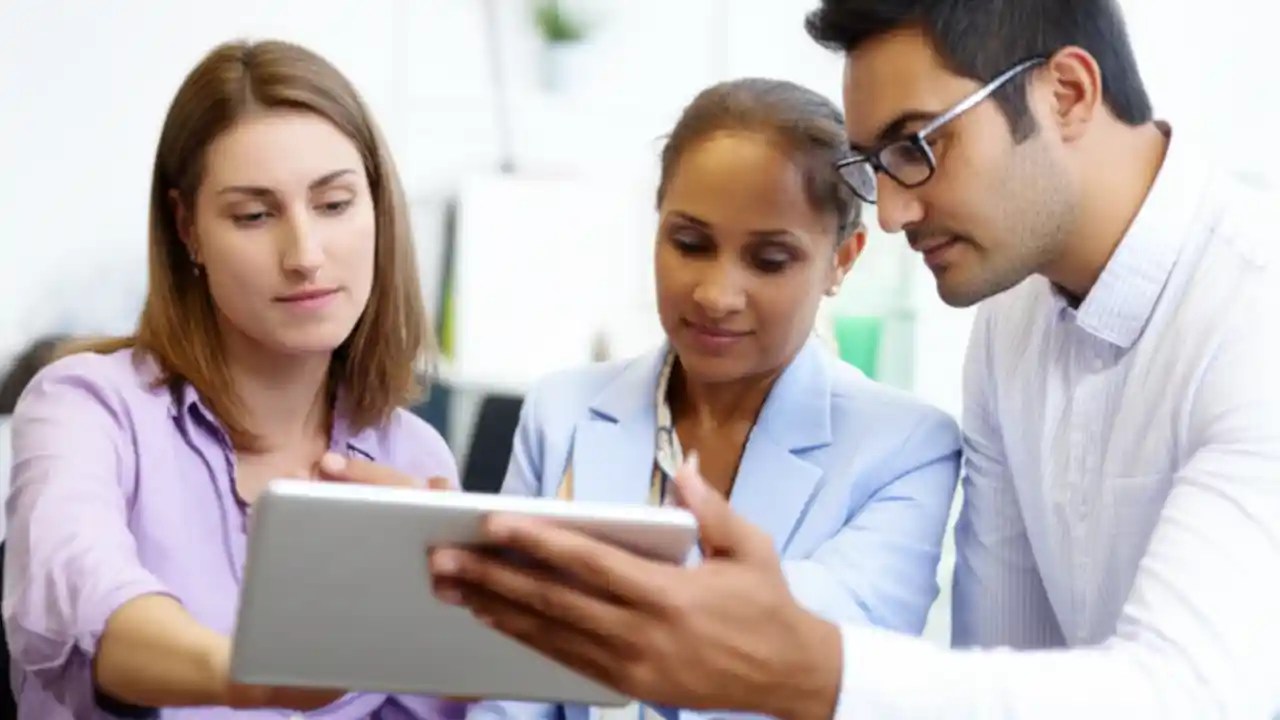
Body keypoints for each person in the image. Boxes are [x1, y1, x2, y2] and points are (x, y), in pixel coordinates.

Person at [417, 0, 1280, 717]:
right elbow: (996, 655)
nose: (897, 214)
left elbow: (1190, 695)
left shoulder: (1254, 315)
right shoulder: (1010, 322)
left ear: (1066, 91)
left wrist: (815, 663)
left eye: (919, 145)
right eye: (878, 166)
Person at [466, 78, 961, 720]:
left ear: (843, 259)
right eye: (690, 244)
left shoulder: (905, 448)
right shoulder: (561, 413)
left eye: (770, 260)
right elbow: (511, 690)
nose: (716, 295)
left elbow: (830, 668)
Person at [4, 40, 460, 719]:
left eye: (334, 204)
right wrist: (252, 675)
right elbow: (90, 605)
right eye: (254, 215)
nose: (305, 256)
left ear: (378, 208)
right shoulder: (86, 408)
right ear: (188, 227)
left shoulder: (412, 457)